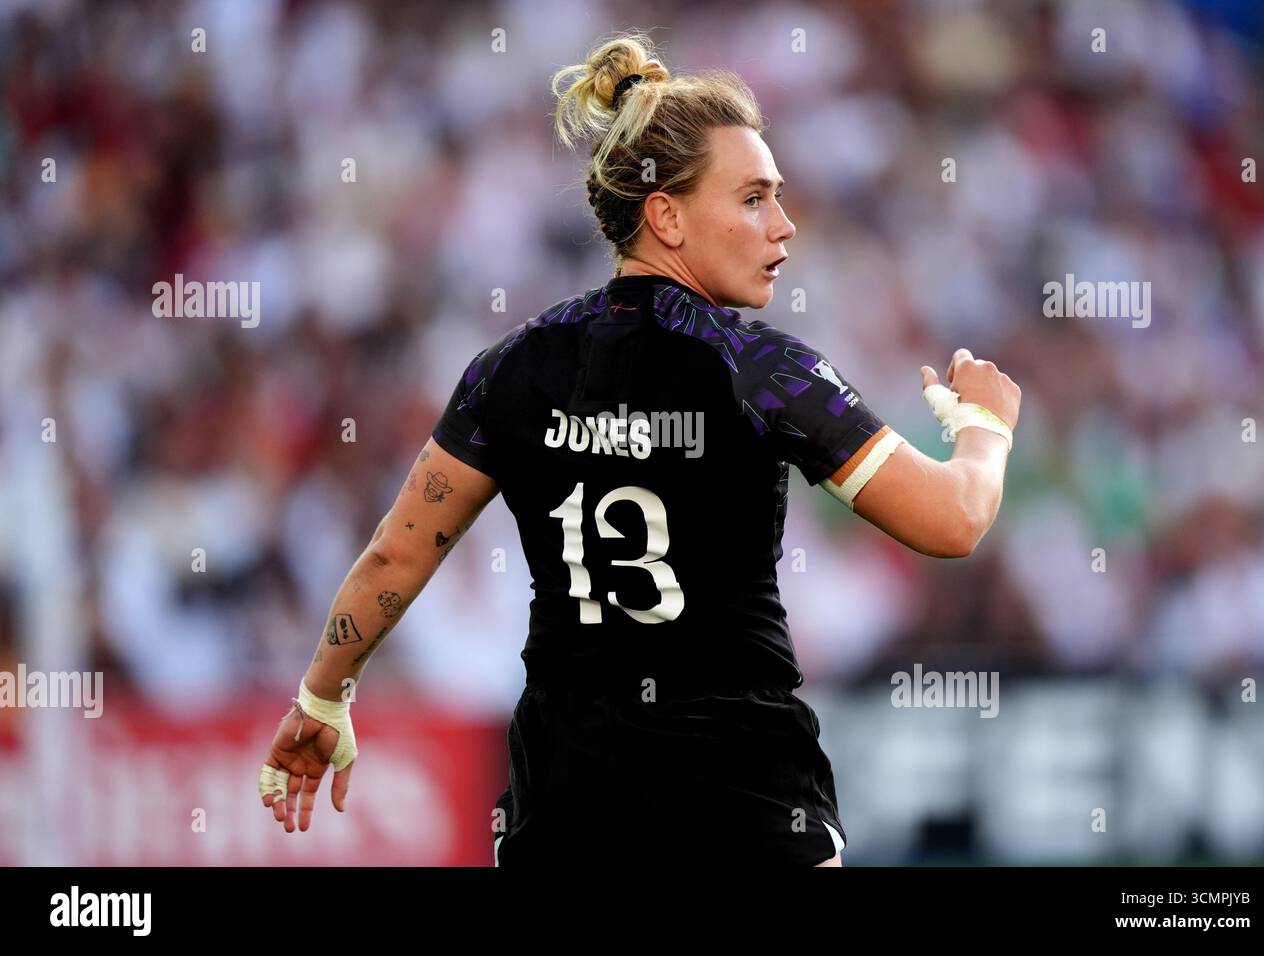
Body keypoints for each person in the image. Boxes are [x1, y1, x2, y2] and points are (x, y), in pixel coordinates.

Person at [257, 32, 1021, 867]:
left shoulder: (509, 369)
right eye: (756, 198)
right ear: (667, 214)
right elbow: (954, 521)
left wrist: (322, 695)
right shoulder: (761, 368)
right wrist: (985, 428)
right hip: (742, 795)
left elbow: (393, 558)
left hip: (567, 800)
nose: (786, 225)